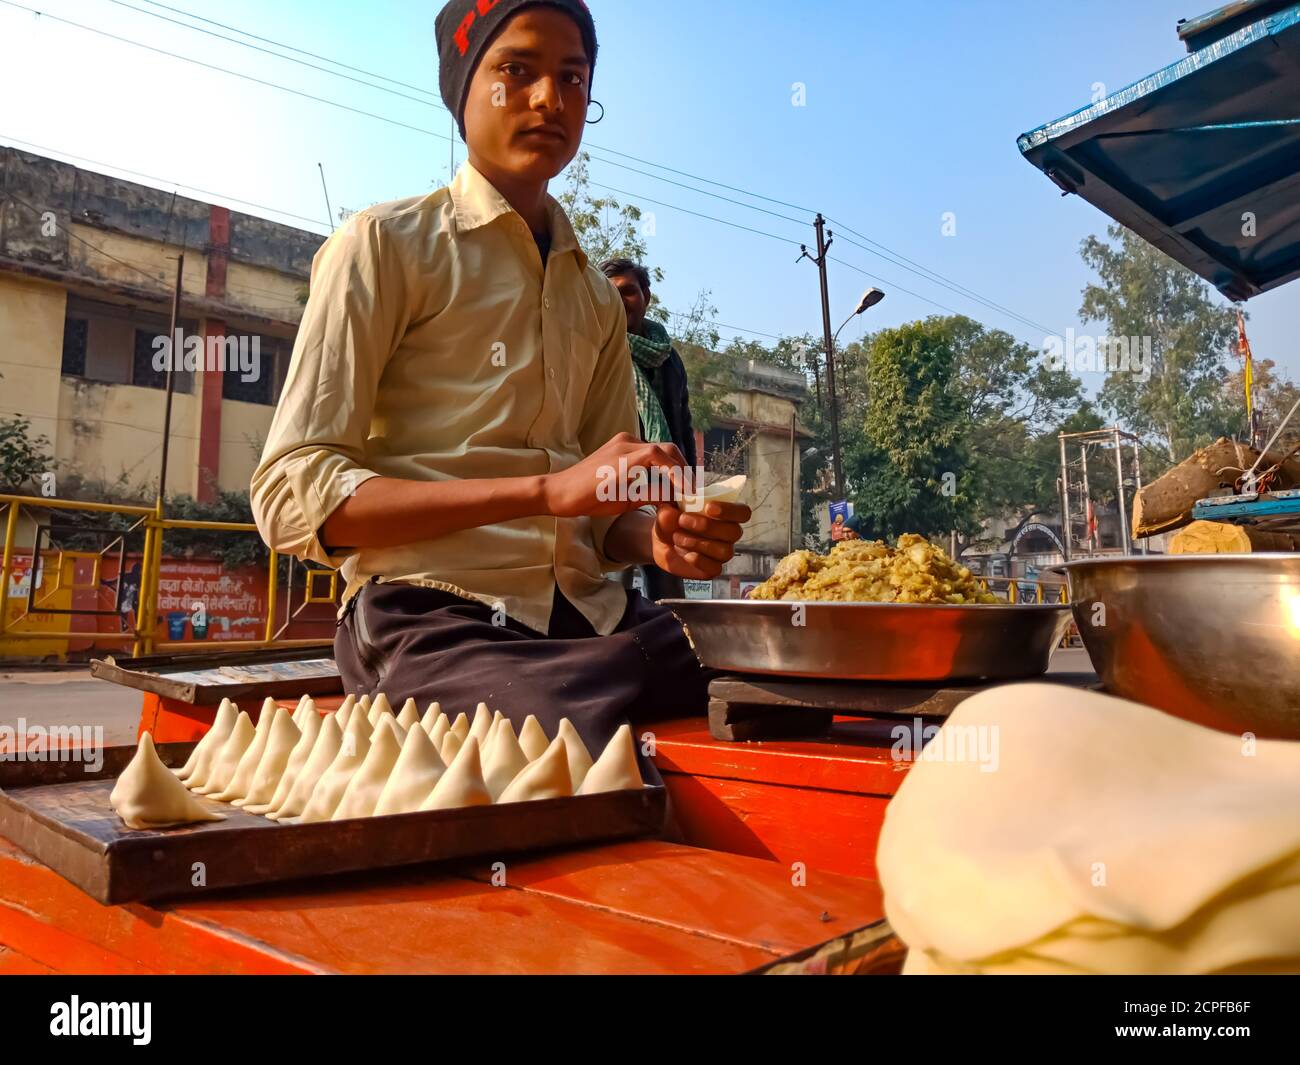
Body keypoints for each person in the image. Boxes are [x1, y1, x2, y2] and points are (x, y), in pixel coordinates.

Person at [250, 0, 750, 773]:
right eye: (516, 70)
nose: (550, 98)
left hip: (590, 619)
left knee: (772, 689)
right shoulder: (383, 247)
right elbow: (291, 495)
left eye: (573, 78)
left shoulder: (593, 297)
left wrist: (655, 536)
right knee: (565, 755)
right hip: (432, 617)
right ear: (464, 88)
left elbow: (602, 511)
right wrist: (547, 491)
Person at [600, 258, 698, 601]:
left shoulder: (669, 358)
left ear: (646, 297)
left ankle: (676, 651)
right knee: (609, 589)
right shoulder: (595, 347)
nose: (620, 301)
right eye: (610, 293)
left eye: (628, 291)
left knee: (670, 588)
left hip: (664, 487)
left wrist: (691, 489)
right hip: (611, 484)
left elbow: (683, 425)